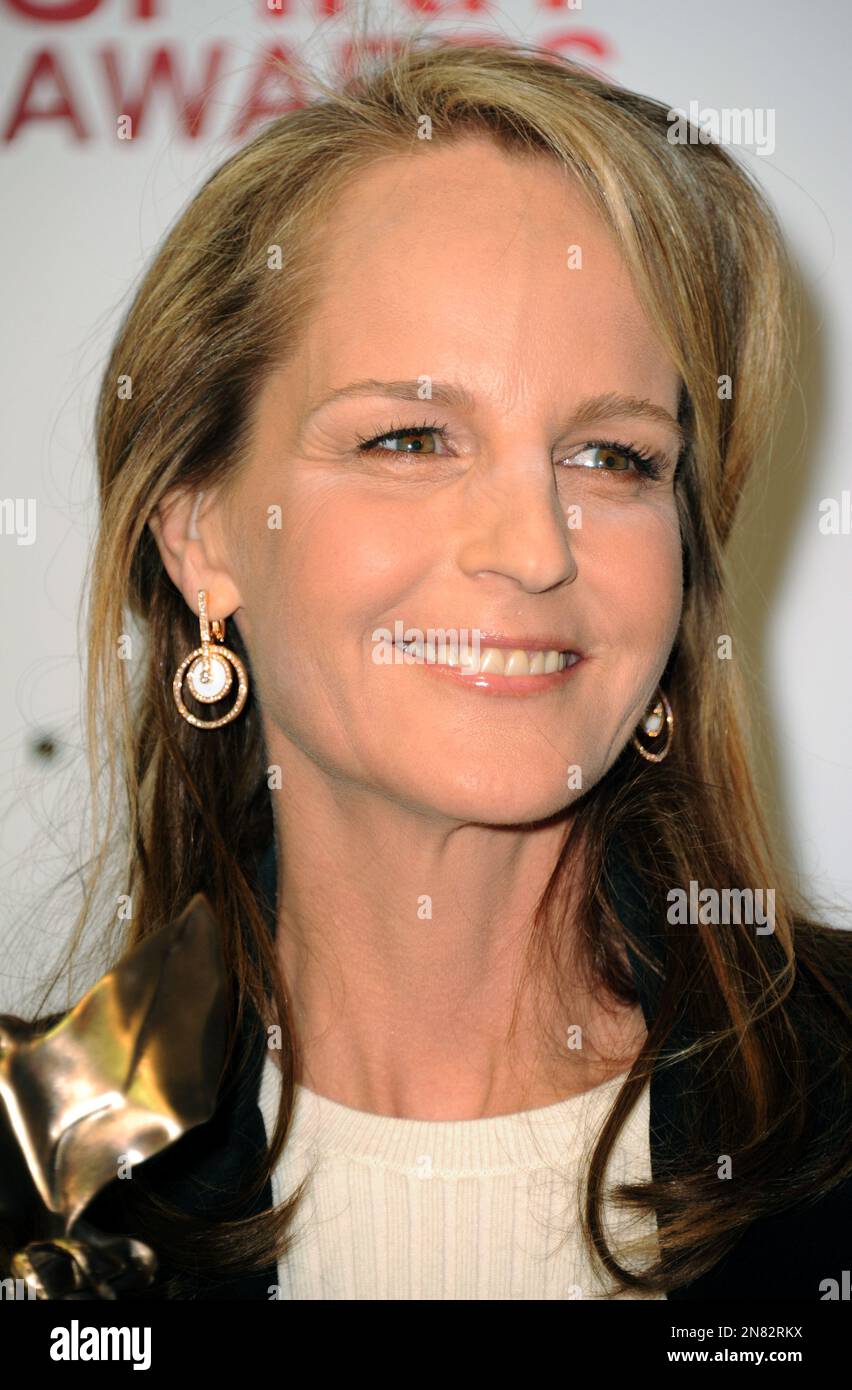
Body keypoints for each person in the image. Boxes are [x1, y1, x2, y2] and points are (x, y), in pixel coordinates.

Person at [2, 33, 850, 1302]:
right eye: (410, 437)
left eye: (614, 456)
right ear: (201, 534)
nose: (533, 550)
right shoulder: (35, 1155)